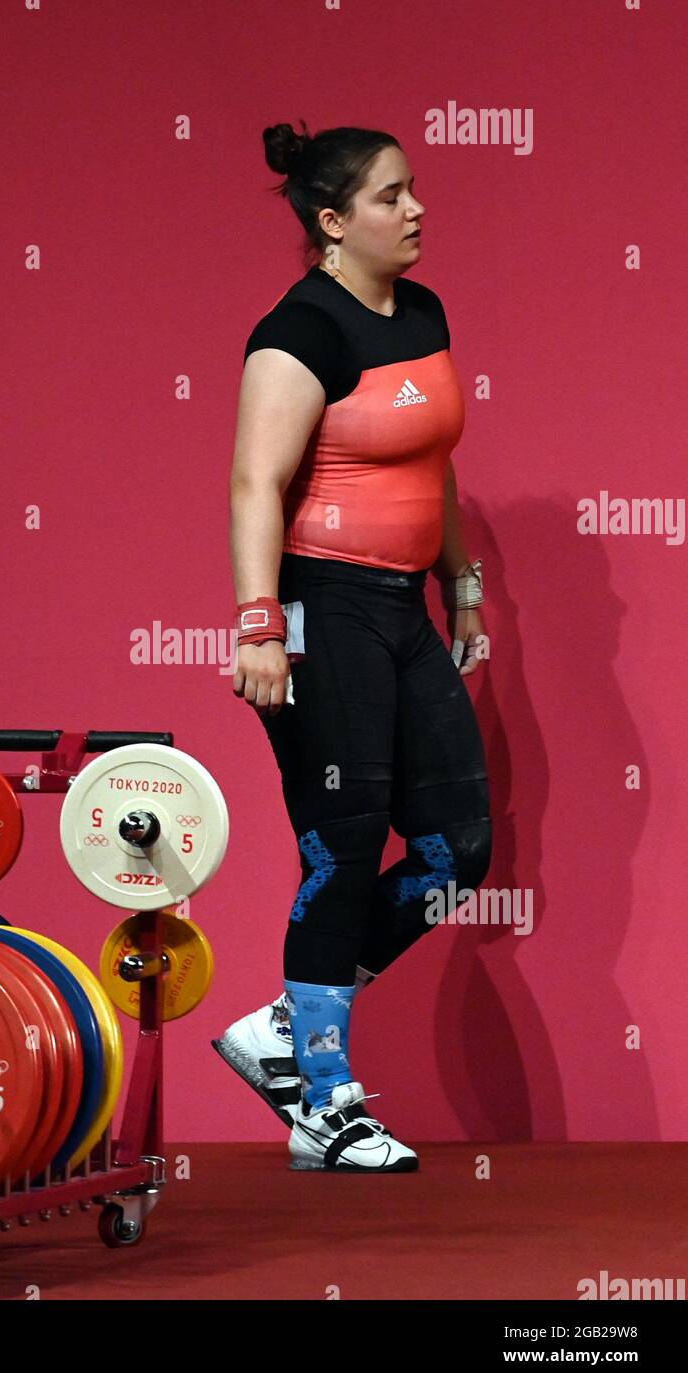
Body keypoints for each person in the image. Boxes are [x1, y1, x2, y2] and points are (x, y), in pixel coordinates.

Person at [213, 121, 492, 1173]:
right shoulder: (297, 333)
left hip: (400, 609)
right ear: (331, 223)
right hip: (316, 608)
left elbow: (434, 462)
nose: (414, 209)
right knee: (342, 841)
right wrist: (255, 624)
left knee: (454, 849)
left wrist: (458, 584)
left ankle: (286, 1028)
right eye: (388, 197)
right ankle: (322, 1102)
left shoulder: (419, 310)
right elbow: (252, 484)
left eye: (413, 189)